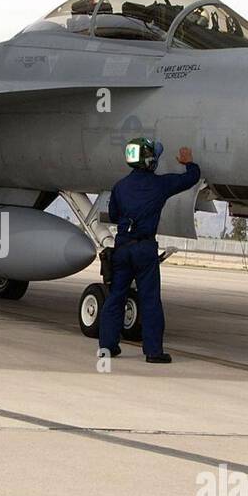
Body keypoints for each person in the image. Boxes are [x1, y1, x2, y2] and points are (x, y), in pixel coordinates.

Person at [97, 138, 201, 363]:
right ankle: (153, 352)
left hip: (122, 248)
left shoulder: (120, 186)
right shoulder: (160, 185)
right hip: (144, 249)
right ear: (150, 161)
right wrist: (189, 163)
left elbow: (114, 215)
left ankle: (107, 347)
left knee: (115, 297)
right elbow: (191, 179)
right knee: (150, 300)